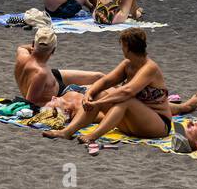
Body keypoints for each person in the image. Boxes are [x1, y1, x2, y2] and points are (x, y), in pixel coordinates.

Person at [43, 29, 172, 142]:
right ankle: (67, 132)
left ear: (127, 47)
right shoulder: (128, 64)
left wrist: (98, 105)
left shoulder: (150, 68)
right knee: (99, 94)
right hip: (134, 124)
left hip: (158, 125)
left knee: (125, 101)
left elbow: (127, 92)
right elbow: (105, 82)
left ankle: (94, 135)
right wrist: (89, 94)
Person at [14, 23, 103, 107]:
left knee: (99, 76)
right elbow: (30, 104)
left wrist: (39, 47)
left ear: (33, 43)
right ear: (53, 51)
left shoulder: (22, 54)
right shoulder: (41, 74)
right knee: (100, 90)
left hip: (53, 77)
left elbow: (21, 47)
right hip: (60, 94)